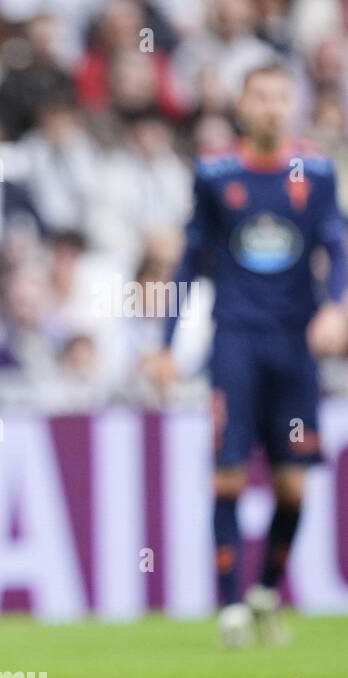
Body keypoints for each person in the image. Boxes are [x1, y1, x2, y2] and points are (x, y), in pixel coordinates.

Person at [150, 63, 346, 647]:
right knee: (229, 473)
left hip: (294, 345)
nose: (270, 107)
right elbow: (189, 262)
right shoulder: (216, 174)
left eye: (280, 97)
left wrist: (335, 307)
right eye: (260, 96)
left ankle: (266, 589)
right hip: (235, 341)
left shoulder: (314, 171)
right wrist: (164, 345)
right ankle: (232, 606)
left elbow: (337, 247)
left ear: (293, 106)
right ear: (242, 105)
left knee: (293, 489)